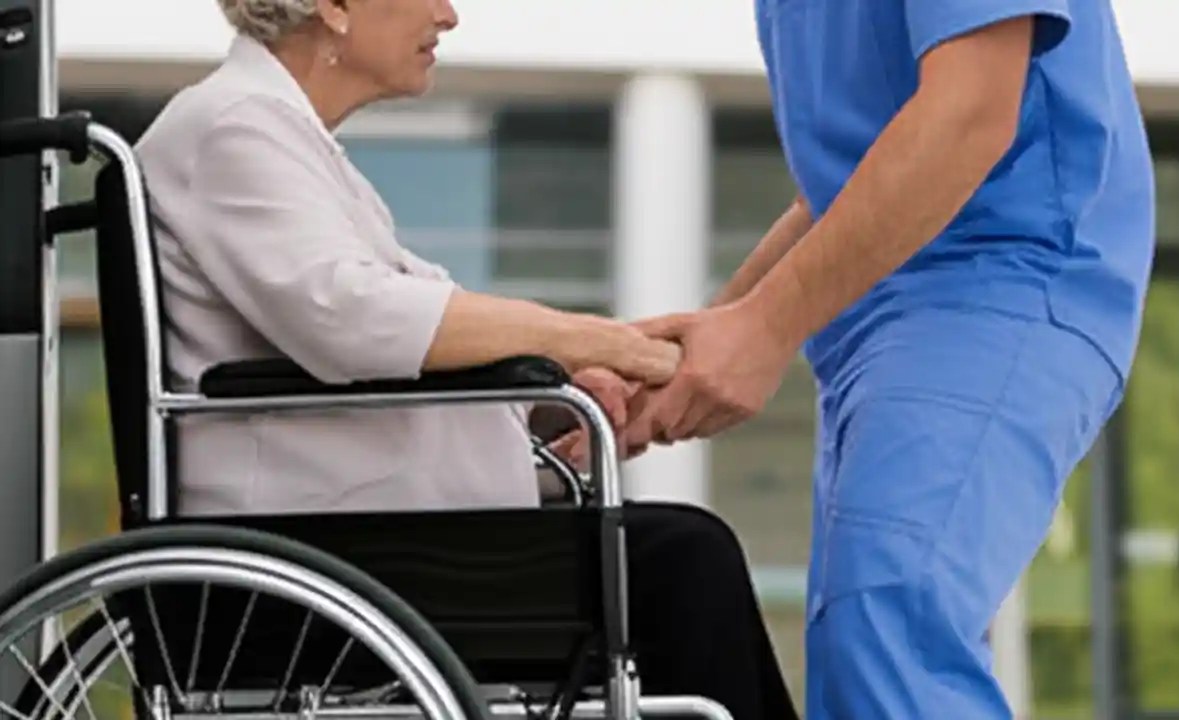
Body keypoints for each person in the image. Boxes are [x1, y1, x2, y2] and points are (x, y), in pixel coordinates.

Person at [134, 2, 799, 718]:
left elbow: (385, 341)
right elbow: (351, 318)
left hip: (350, 540)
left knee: (676, 557)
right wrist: (589, 340)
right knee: (681, 562)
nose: (448, 15)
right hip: (307, 562)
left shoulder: (276, 136)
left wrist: (551, 397)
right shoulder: (234, 126)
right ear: (332, 7)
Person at [623, 1, 1155, 718]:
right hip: (877, 321)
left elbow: (967, 114)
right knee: (858, 662)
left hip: (1007, 278)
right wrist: (685, 351)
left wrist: (764, 326)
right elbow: (852, 185)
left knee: (888, 615)